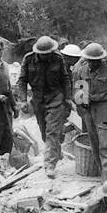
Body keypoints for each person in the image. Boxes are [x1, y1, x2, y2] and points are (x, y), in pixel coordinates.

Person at [71, 43, 107, 181]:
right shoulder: (82, 70)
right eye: (90, 60)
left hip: (106, 109)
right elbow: (79, 90)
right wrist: (81, 106)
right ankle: (103, 174)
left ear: (100, 59)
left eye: (95, 60)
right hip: (89, 110)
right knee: (95, 144)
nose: (92, 63)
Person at [17, 35, 73, 175]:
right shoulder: (28, 59)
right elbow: (22, 81)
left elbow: (65, 79)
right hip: (38, 100)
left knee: (52, 131)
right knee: (44, 132)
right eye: (43, 55)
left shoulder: (58, 58)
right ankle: (56, 152)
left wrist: (68, 98)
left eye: (48, 54)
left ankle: (50, 164)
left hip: (55, 98)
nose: (46, 57)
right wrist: (23, 100)